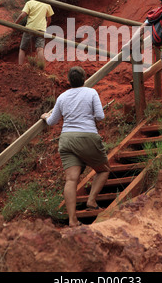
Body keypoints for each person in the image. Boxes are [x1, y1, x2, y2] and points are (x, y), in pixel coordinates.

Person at [41, 66, 110, 228]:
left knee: (71, 179)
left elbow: (52, 122)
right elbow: (100, 116)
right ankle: (91, 201)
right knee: (104, 169)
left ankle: (72, 220)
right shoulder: (91, 92)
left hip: (66, 140)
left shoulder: (62, 97)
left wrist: (45, 116)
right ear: (84, 78)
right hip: (87, 136)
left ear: (69, 81)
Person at [15, 0, 54, 65]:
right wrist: (45, 27)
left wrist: (15, 23)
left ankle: (20, 66)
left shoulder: (29, 3)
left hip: (30, 28)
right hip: (41, 29)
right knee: (40, 49)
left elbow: (23, 15)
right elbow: (49, 19)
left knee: (22, 49)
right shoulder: (46, 4)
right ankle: (41, 68)